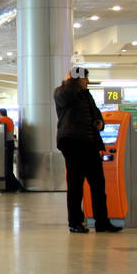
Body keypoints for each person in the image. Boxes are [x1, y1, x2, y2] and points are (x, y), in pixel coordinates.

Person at [54, 67, 120, 233]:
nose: (87, 82)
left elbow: (96, 114)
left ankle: (102, 222)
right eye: (84, 79)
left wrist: (100, 123)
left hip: (90, 143)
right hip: (72, 143)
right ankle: (75, 222)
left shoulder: (87, 95)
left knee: (98, 184)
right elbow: (66, 97)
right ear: (76, 80)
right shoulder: (62, 92)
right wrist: (71, 78)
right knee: (75, 185)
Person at [0, 108, 23, 193]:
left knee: (7, 167)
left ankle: (14, 185)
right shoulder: (9, 120)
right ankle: (12, 185)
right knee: (9, 166)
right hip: (10, 143)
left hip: (6, 144)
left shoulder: (2, 120)